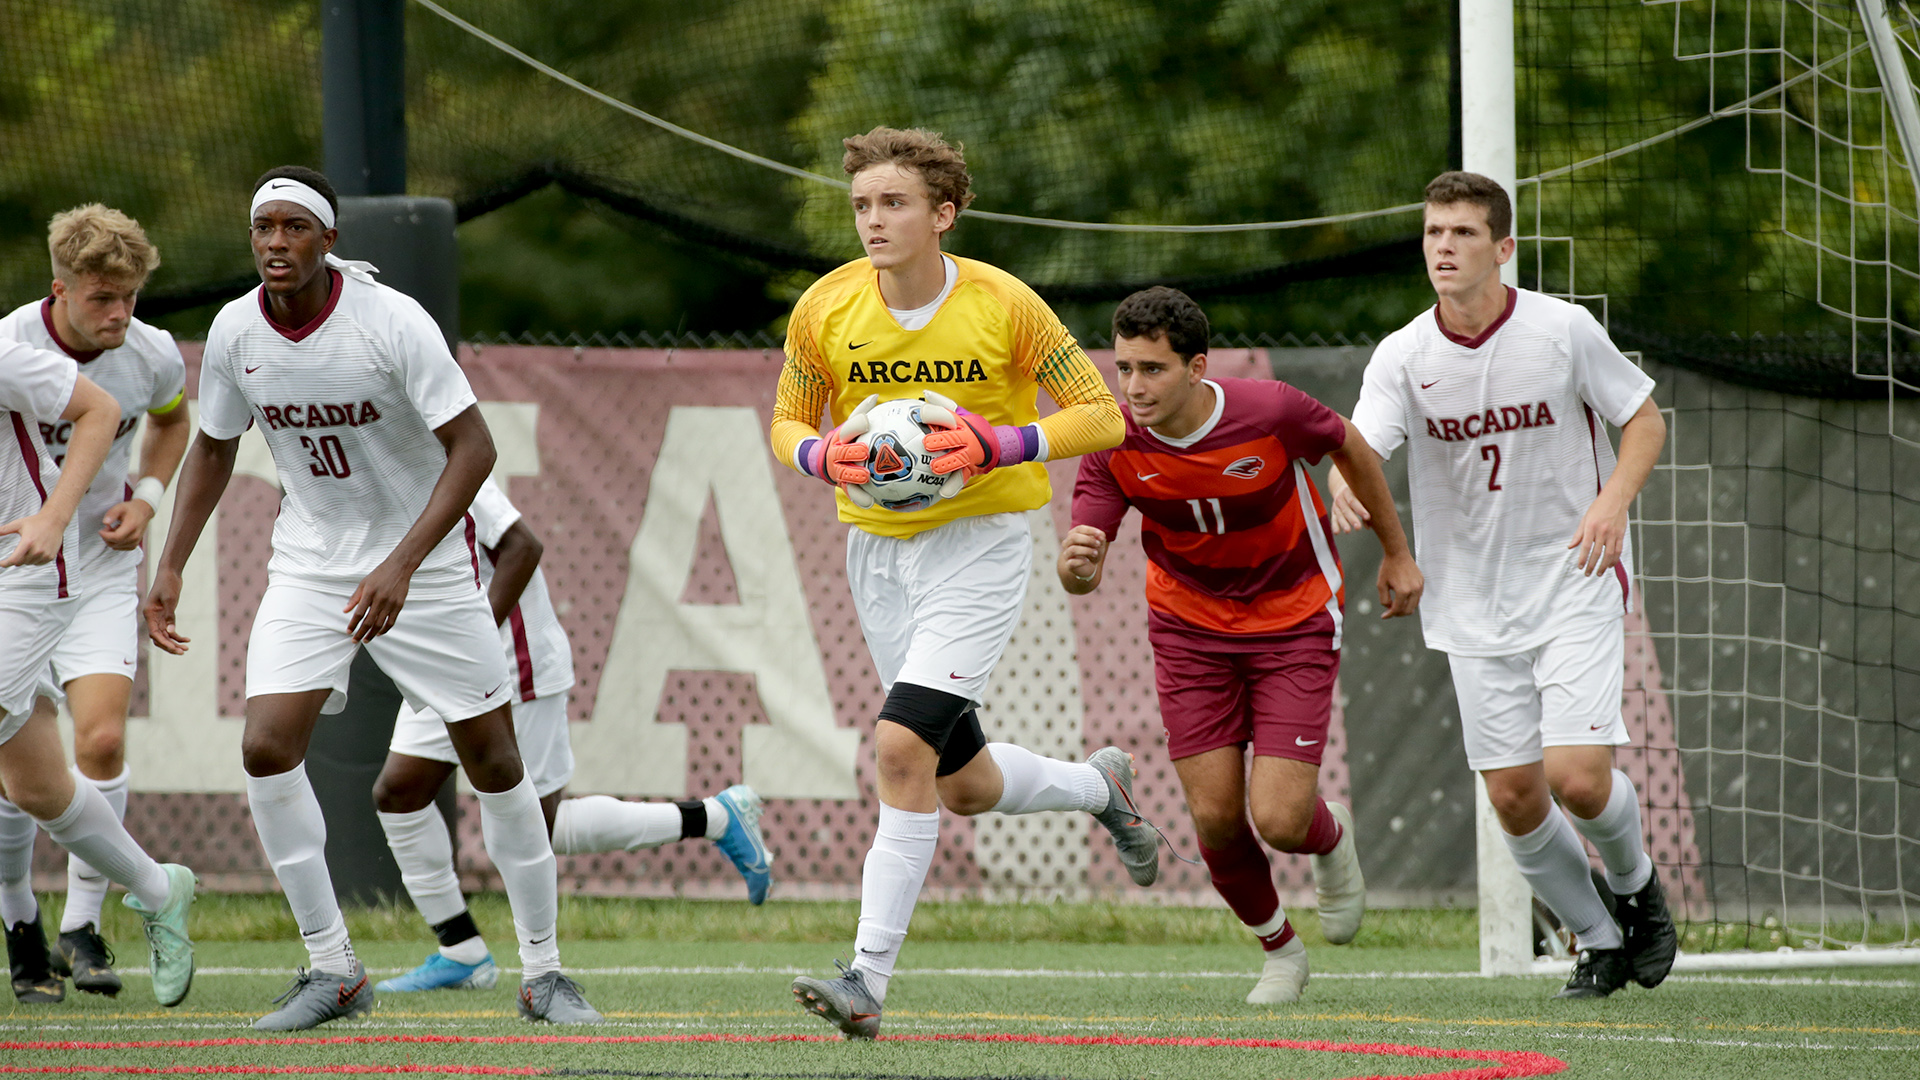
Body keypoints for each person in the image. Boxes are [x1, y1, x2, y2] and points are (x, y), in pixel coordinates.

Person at [145, 166, 599, 1029]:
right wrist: (170, 566)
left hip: (423, 571)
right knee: (267, 747)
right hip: (311, 563)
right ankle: (333, 968)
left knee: (498, 765)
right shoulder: (237, 328)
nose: (276, 242)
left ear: (330, 239)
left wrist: (399, 565)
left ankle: (544, 973)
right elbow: (209, 449)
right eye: (262, 228)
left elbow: (474, 449)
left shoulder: (390, 322)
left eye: (294, 227)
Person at [769, 126, 1150, 1040]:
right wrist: (822, 454)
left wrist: (1000, 443)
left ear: (944, 213)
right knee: (963, 784)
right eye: (861, 204)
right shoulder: (824, 307)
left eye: (894, 203)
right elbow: (786, 422)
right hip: (877, 554)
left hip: (978, 546)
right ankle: (1101, 790)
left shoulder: (1005, 304)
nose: (873, 219)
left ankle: (865, 978)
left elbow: (1102, 416)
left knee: (901, 748)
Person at [1326, 171, 1677, 999]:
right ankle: (1596, 942)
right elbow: (1364, 445)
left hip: (1571, 582)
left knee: (1578, 779)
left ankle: (1635, 891)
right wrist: (1351, 482)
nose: (1443, 248)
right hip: (1470, 602)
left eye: (1463, 234)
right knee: (1517, 798)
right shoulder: (1405, 354)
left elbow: (1644, 420)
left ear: (1504, 248)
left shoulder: (1561, 331)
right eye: (1433, 234)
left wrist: (1612, 504)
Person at [1059, 286, 1421, 1004]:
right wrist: (1078, 563)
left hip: (1293, 619)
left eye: (1152, 369)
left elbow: (1349, 444)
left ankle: (1328, 838)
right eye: (1123, 368)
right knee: (1218, 819)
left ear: (1197, 368)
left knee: (1281, 819)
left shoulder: (1271, 410)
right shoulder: (1109, 436)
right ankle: (1282, 954)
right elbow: (1084, 564)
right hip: (1189, 630)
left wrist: (1397, 554)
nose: (1134, 387)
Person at [371, 476, 773, 993]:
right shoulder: (356, 468)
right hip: (446, 666)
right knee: (399, 792)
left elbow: (523, 547)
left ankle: (715, 817)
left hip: (514, 666)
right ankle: (461, 951)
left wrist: (474, 644)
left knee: (535, 826)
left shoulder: (436, 460)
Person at [0, 205, 191, 1000]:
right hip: (22, 553)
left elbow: (144, 422)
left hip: (72, 569)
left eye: (129, 298)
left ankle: (82, 923)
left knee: (102, 739)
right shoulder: (19, 334)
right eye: (100, 298)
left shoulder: (136, 356)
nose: (117, 314)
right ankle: (34, 918)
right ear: (60, 289)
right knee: (31, 785)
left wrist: (144, 497)